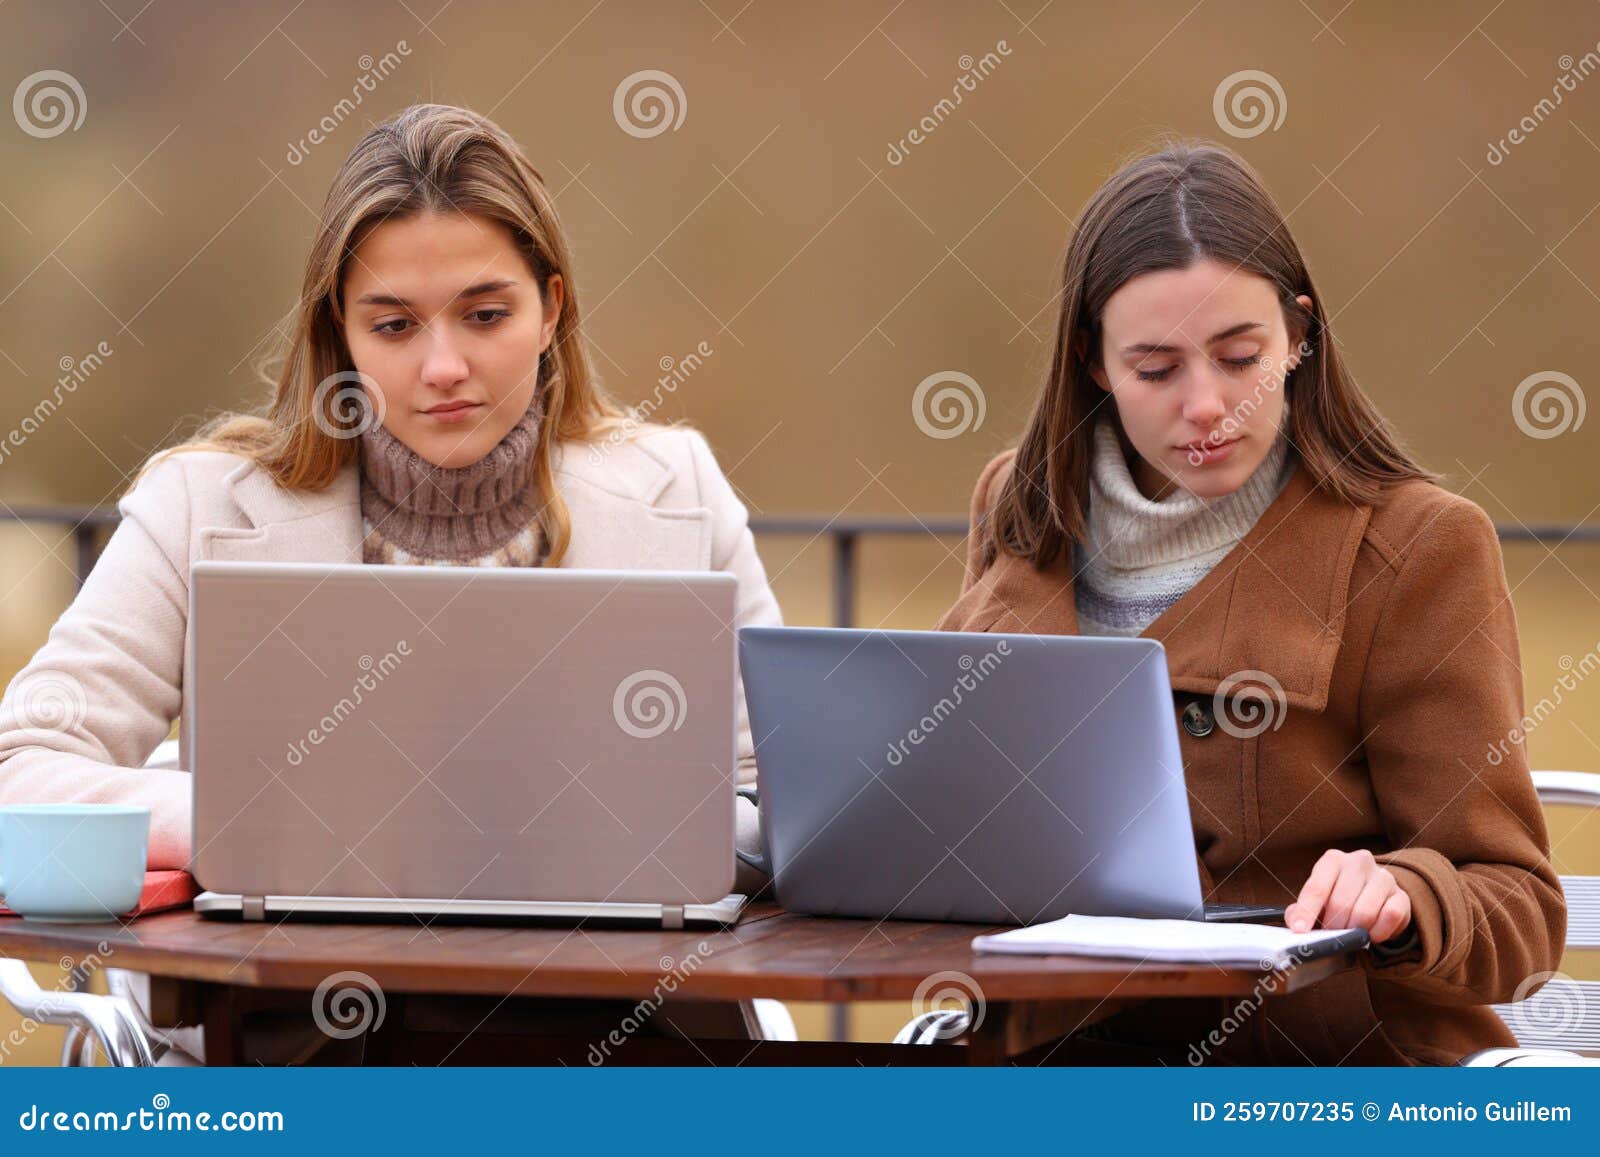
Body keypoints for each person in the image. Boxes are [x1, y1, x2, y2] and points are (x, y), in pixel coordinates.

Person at [0, 103, 781, 1063]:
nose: (442, 366)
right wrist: (249, 820)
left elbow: (781, 796)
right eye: (394, 324)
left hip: (626, 1038)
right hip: (295, 1045)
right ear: (341, 331)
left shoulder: (679, 492)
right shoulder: (199, 507)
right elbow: (22, 768)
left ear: (552, 307)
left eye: (486, 315)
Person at [937, 139, 1566, 1066]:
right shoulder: (1019, 503)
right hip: (1047, 1059)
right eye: (1156, 369)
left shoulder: (1419, 548)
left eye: (1241, 357)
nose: (1207, 405)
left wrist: (1402, 894)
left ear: (1301, 335)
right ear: (1093, 363)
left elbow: (1519, 910)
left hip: (1324, 1076)